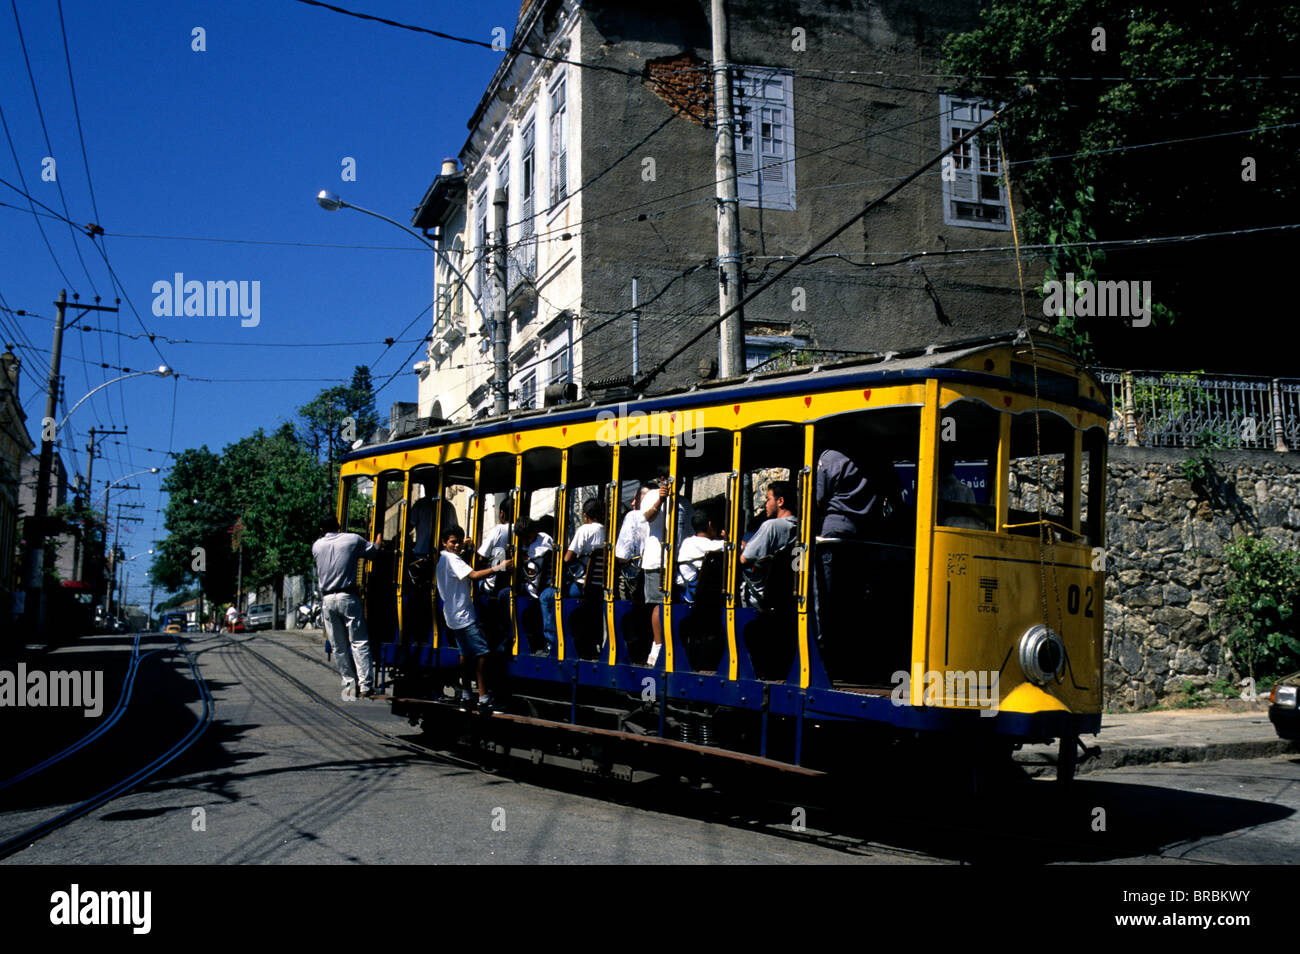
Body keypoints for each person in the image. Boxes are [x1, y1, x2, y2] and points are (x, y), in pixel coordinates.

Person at [435, 524, 513, 712]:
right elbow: (474, 575)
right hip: (463, 616)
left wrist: (467, 545)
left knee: (465, 654)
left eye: (459, 542)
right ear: (445, 542)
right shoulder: (453, 559)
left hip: (452, 615)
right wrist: (499, 567)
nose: (457, 545)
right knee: (482, 653)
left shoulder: (443, 559)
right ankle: (484, 698)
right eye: (453, 542)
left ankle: (466, 695)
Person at [312, 515, 383, 701]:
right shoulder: (352, 539)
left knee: (339, 646)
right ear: (339, 525)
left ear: (321, 530)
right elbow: (373, 552)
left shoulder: (317, 546)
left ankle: (349, 687)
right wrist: (377, 539)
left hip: (327, 600)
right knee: (358, 641)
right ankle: (366, 686)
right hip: (348, 597)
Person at [640, 470, 694, 667]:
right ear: (662, 479)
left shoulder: (684, 504)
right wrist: (660, 501)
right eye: (673, 479)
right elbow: (647, 518)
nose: (677, 483)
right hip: (657, 560)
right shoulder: (653, 496)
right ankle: (657, 648)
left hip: (678, 561)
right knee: (659, 604)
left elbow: (689, 531)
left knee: (675, 603)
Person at [516, 515, 557, 654]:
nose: (525, 543)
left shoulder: (534, 550)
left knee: (506, 594)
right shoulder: (545, 538)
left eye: (526, 539)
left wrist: (522, 560)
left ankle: (516, 639)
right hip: (545, 583)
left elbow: (531, 572)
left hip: (535, 587)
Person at [740, 481, 799, 565]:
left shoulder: (771, 526)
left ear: (780, 501)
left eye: (768, 499)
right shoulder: (800, 526)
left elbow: (744, 558)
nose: (766, 505)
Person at [675, 509, 725, 599]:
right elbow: (737, 546)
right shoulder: (707, 544)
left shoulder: (687, 542)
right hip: (693, 592)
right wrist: (727, 536)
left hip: (685, 588)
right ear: (710, 525)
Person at [564, 498, 606, 595]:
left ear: (585, 516)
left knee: (548, 596)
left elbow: (568, 558)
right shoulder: (609, 532)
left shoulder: (585, 530)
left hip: (582, 583)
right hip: (602, 585)